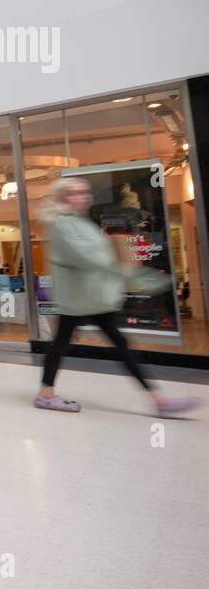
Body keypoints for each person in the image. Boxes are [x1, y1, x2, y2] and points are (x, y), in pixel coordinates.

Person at [35, 177, 200, 418]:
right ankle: (158, 400)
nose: (82, 196)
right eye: (74, 193)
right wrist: (132, 274)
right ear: (63, 198)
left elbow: (98, 257)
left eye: (84, 192)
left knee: (74, 344)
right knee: (66, 345)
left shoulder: (81, 223)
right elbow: (89, 258)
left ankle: (158, 400)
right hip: (78, 298)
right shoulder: (63, 225)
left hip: (91, 297)